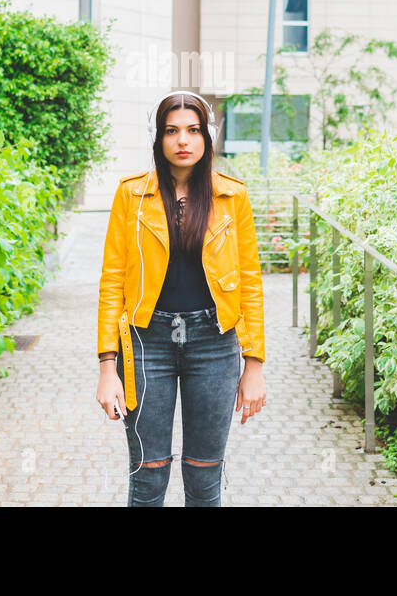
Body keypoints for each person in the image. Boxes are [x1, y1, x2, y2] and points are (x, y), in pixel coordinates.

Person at [95, 90, 267, 506]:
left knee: (205, 478)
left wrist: (254, 365)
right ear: (159, 138)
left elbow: (250, 281)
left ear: (207, 138)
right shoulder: (130, 195)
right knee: (149, 476)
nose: (183, 141)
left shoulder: (232, 196)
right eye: (171, 131)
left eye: (193, 130)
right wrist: (106, 367)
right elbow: (112, 280)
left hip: (214, 342)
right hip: (145, 342)